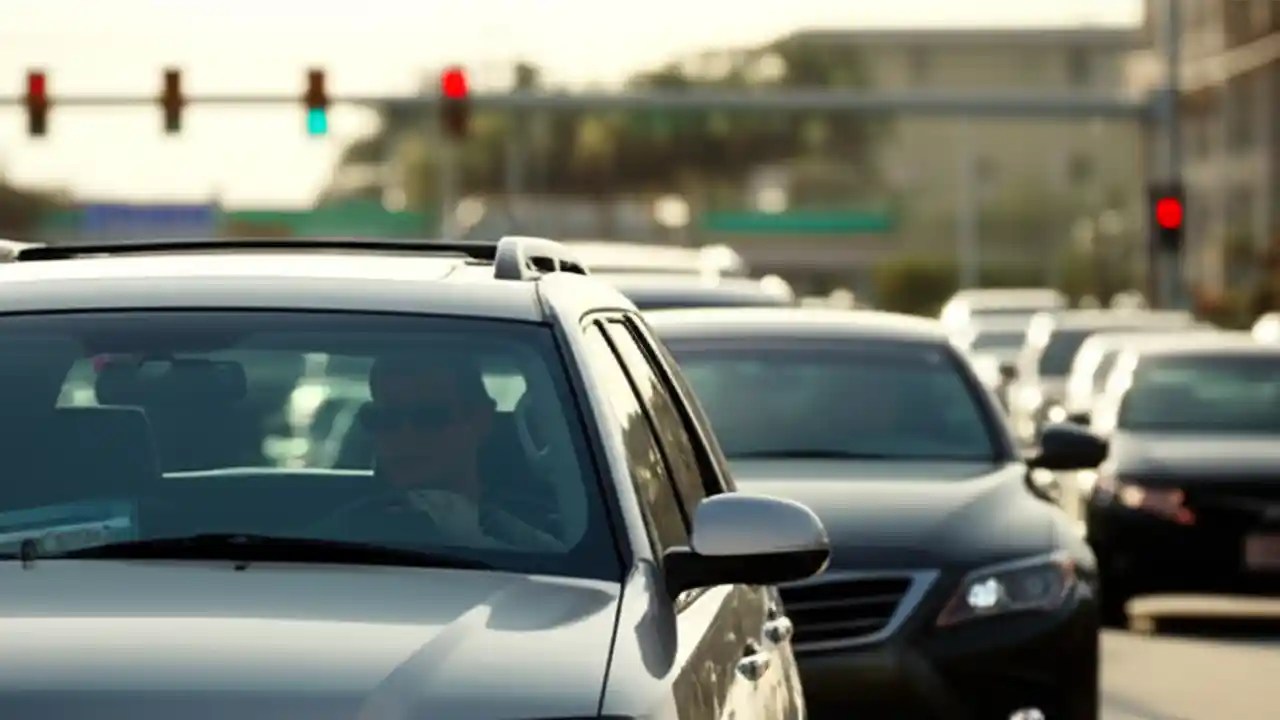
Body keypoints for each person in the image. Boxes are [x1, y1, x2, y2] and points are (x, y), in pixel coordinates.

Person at [351, 350, 563, 552]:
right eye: (385, 417)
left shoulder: (556, 529)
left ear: (481, 419)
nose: (405, 435)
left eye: (430, 416)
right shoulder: (339, 532)